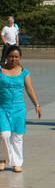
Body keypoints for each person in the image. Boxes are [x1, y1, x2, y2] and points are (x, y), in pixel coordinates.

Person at [0, 43, 41, 171]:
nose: (14, 59)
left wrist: (37, 105)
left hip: (19, 109)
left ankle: (17, 163)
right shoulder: (1, 70)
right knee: (4, 134)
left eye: (16, 57)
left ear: (20, 58)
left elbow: (30, 89)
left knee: (17, 136)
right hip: (2, 108)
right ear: (6, 56)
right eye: (11, 56)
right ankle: (2, 158)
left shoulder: (24, 72)